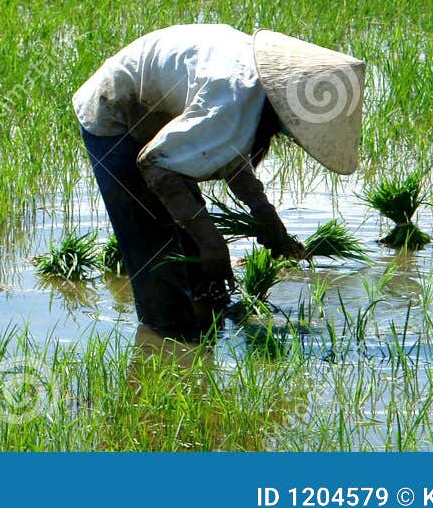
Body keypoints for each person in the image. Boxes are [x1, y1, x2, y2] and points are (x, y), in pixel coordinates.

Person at [71, 24, 365, 339]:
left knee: (197, 259)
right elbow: (155, 165)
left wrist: (267, 219)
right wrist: (212, 242)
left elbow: (227, 152)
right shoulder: (234, 93)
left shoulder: (255, 91)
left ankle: (202, 331)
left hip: (156, 125)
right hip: (115, 115)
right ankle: (166, 343)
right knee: (157, 258)